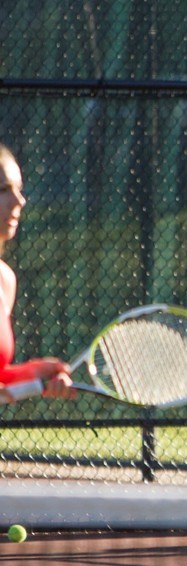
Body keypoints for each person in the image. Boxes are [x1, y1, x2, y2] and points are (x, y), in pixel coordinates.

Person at [0, 144, 75, 403]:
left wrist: (36, 373)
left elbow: (1, 380)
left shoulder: (4, 280)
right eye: (3, 190)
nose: (19, 200)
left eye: (18, 189)